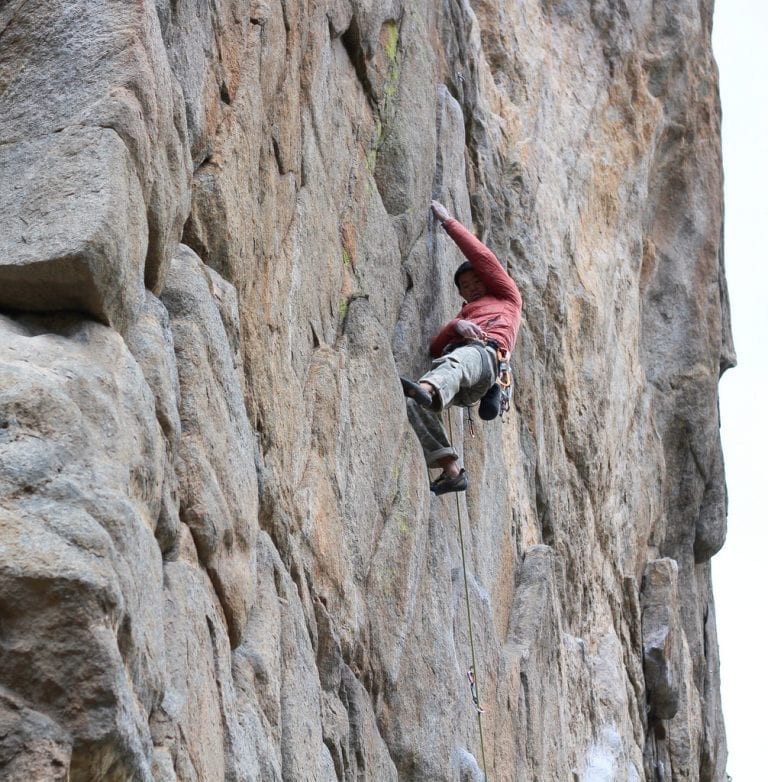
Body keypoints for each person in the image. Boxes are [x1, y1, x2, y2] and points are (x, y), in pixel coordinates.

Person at [400, 200, 523, 495]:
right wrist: (457, 326)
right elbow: (435, 347)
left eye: (476, 281)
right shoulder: (465, 314)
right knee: (416, 404)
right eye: (465, 287)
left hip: (487, 358)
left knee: (456, 362)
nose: (472, 288)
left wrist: (448, 221)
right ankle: (451, 471)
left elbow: (481, 256)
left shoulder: (507, 297)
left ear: (488, 281)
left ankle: (428, 389)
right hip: (467, 383)